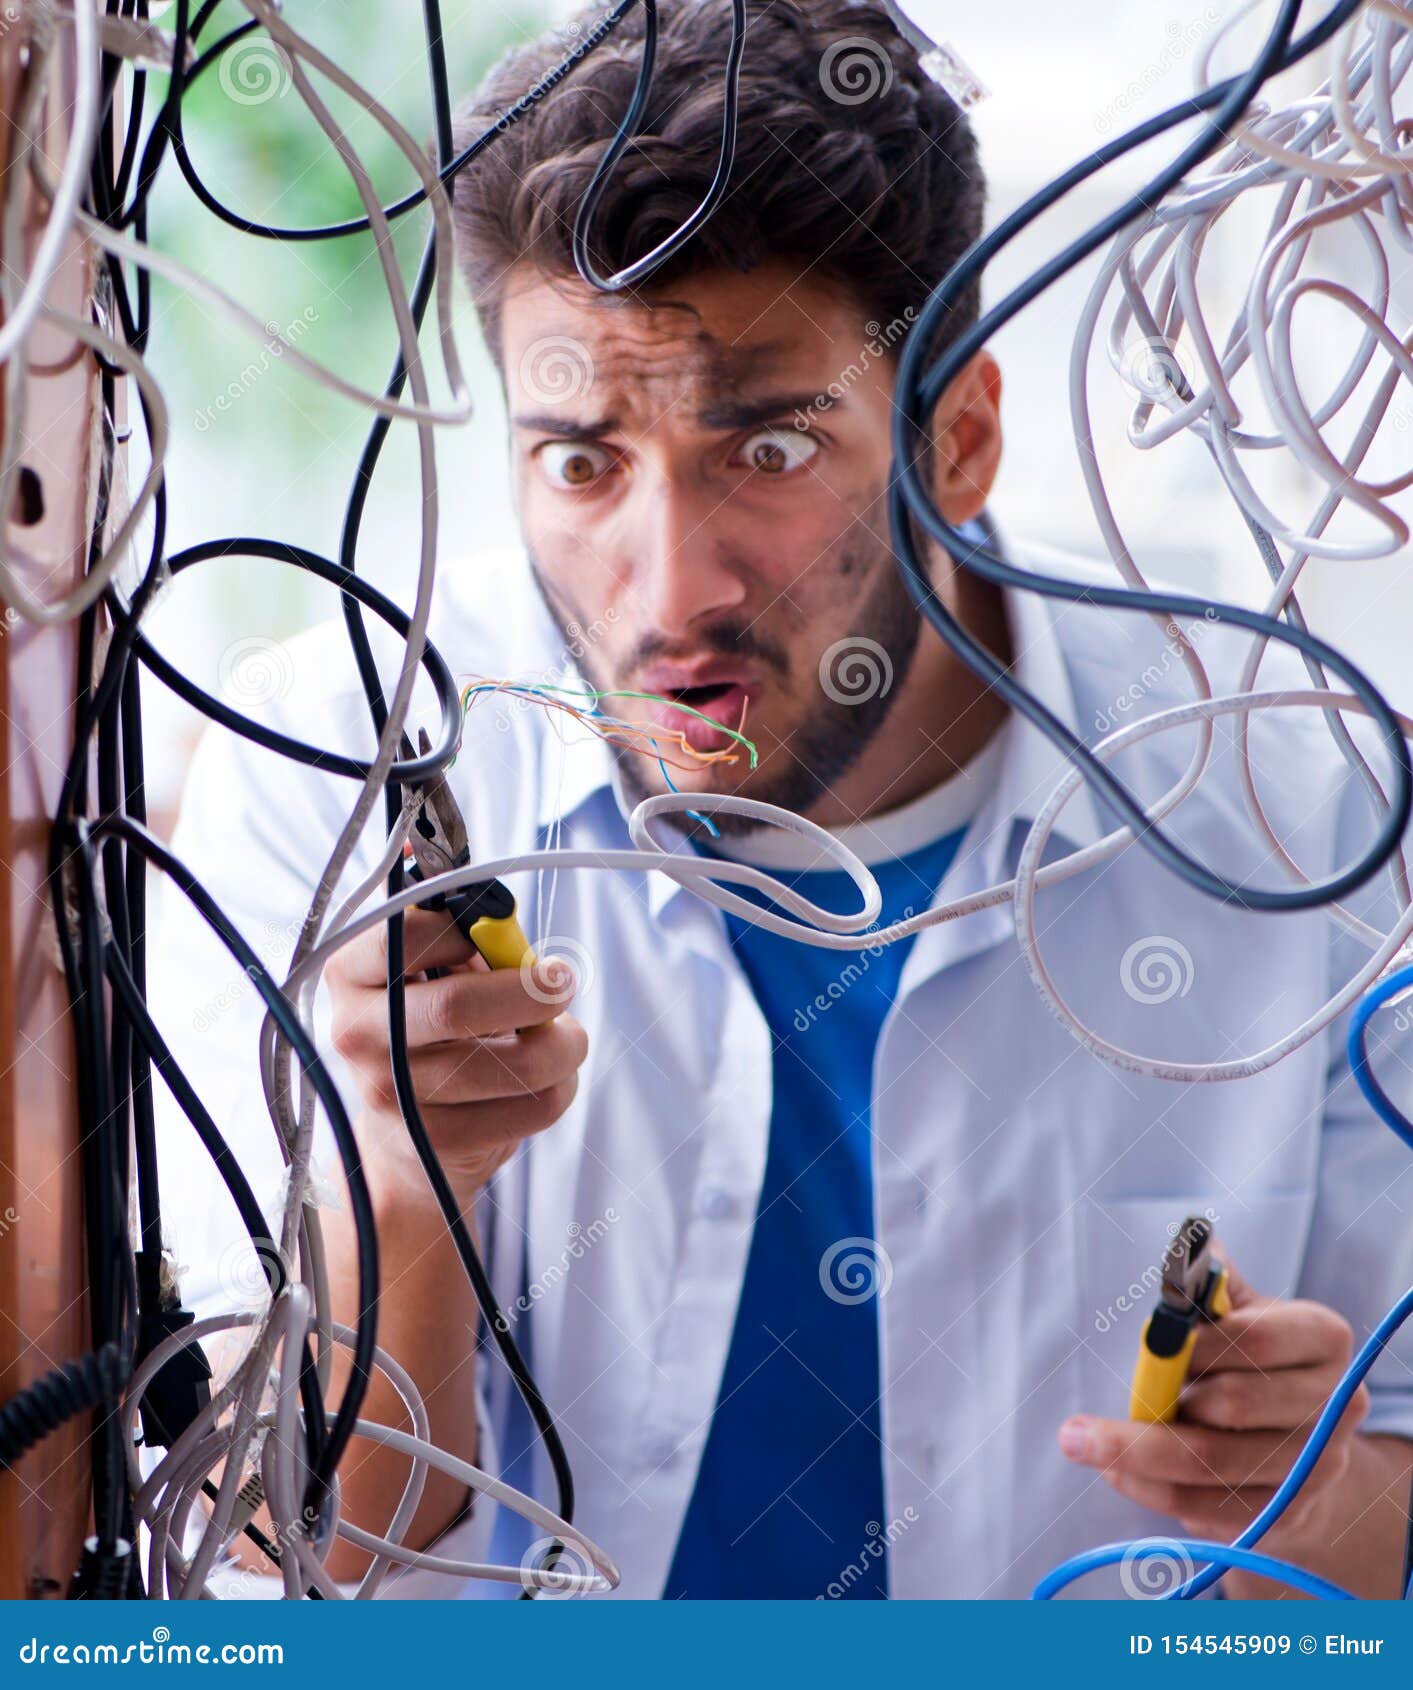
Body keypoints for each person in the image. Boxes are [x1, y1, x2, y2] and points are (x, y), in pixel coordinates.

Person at [153, 0, 1413, 1599]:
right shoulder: (329, 771)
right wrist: (393, 1190)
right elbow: (292, 1564)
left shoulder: (1313, 812)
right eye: (583, 463)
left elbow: (1385, 1531)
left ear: (955, 438)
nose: (669, 591)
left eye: (763, 450)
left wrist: (1308, 1498)